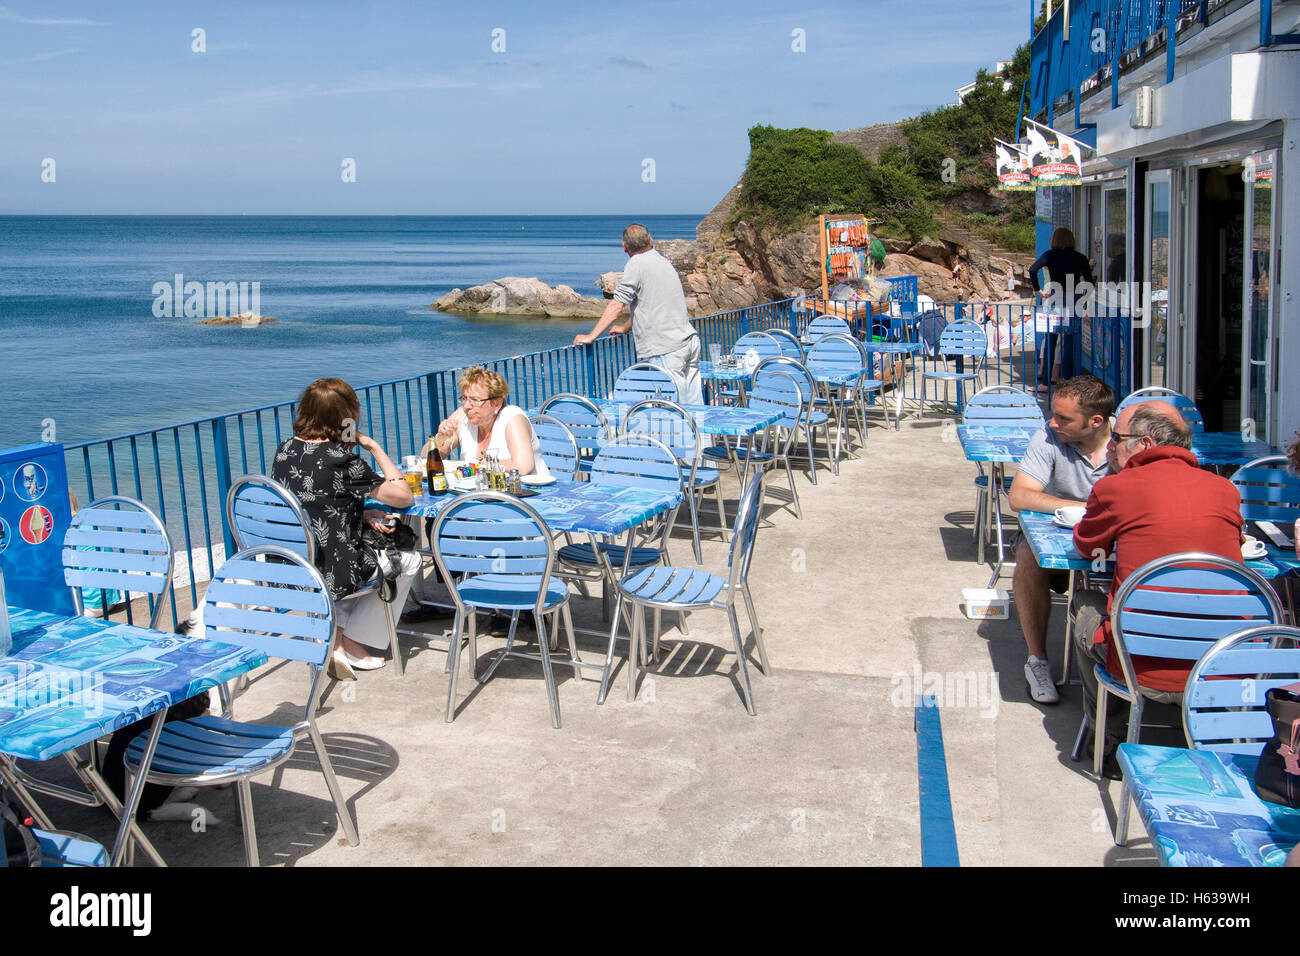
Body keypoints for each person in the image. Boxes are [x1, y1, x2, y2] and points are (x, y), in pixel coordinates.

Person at [1071, 400, 1245, 770]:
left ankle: (1107, 744)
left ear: (1145, 444)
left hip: (1140, 669)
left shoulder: (1117, 487)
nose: (1110, 447)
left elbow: (1087, 546)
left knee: (1085, 602)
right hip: (1220, 667)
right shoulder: (1225, 490)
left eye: (1117, 439)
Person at [271, 377, 418, 680]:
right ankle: (353, 638)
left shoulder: (284, 451)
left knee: (362, 552)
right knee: (408, 560)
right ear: (344, 416)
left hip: (291, 562)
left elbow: (316, 502)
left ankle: (335, 637)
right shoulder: (342, 461)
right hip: (333, 570)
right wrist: (372, 446)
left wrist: (362, 513)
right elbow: (404, 496)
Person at [1007, 374, 1114, 704]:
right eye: (1053, 413)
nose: (1053, 423)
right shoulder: (1049, 436)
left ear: (1096, 421)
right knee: (1027, 553)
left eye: (1064, 418)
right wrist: (1086, 508)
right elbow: (1020, 497)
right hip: (1057, 537)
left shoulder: (1125, 440)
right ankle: (1037, 660)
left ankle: (1130, 659)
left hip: (1111, 540)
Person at [574, 223, 702, 405]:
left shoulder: (636, 264)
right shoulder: (662, 261)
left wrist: (591, 336)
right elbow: (649, 303)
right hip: (689, 342)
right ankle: (703, 436)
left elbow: (617, 305)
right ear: (651, 241)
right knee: (695, 408)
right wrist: (626, 328)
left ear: (624, 247)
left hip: (666, 348)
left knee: (671, 410)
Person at [427, 366, 549, 477]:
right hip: (479, 494)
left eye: (475, 399)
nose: (467, 406)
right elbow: (424, 459)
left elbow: (524, 466)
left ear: (496, 403)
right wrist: (440, 437)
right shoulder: (462, 417)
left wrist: (483, 466)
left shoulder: (512, 418)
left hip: (527, 494)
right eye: (464, 398)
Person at [1028, 227, 1094, 392]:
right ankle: (1068, 382)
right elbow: (1089, 282)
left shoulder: (1050, 256)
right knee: (1070, 340)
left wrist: (1038, 290)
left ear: (1055, 240)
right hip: (1074, 299)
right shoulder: (1080, 257)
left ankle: (1045, 383)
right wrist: (1085, 300)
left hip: (1055, 299)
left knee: (1051, 339)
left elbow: (1032, 269)